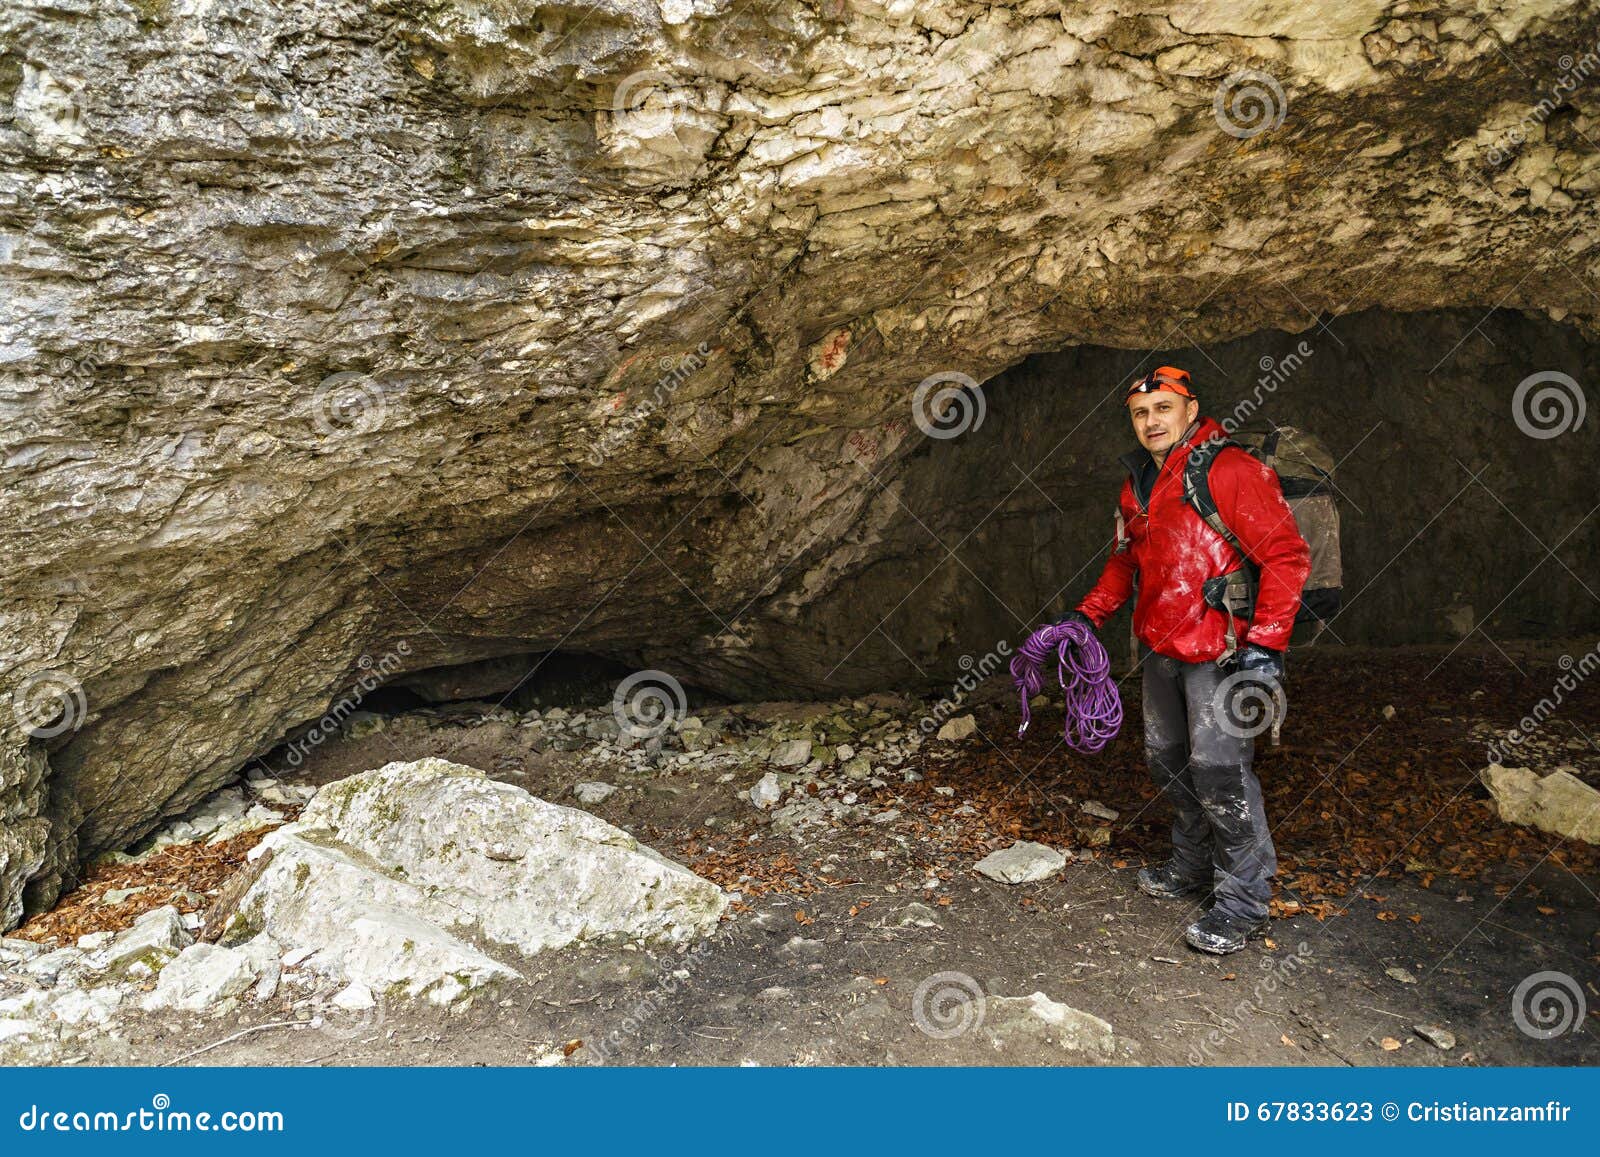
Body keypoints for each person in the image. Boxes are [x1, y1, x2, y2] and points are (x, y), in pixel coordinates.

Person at [1059, 365, 1311, 954]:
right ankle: (1191, 865)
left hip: (1219, 650)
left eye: (1163, 409)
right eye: (1140, 413)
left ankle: (1243, 902)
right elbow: (1127, 561)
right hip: (1161, 647)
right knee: (1166, 760)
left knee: (1220, 772)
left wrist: (1267, 644)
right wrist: (1088, 613)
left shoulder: (1229, 470)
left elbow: (1285, 555)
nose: (1151, 422)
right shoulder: (1138, 484)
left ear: (1190, 410)